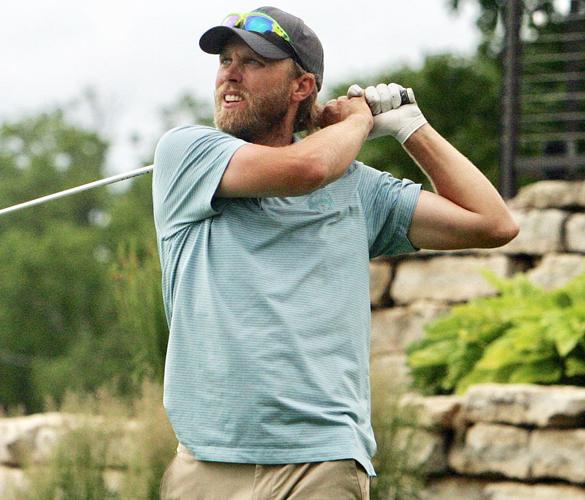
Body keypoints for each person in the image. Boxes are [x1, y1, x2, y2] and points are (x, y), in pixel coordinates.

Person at [152, 6, 518, 499]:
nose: (230, 74)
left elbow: (493, 223)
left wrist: (413, 128)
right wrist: (359, 122)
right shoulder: (187, 154)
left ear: (301, 86)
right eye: (224, 60)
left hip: (321, 462)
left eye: (253, 62)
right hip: (207, 465)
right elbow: (307, 170)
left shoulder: (359, 190)